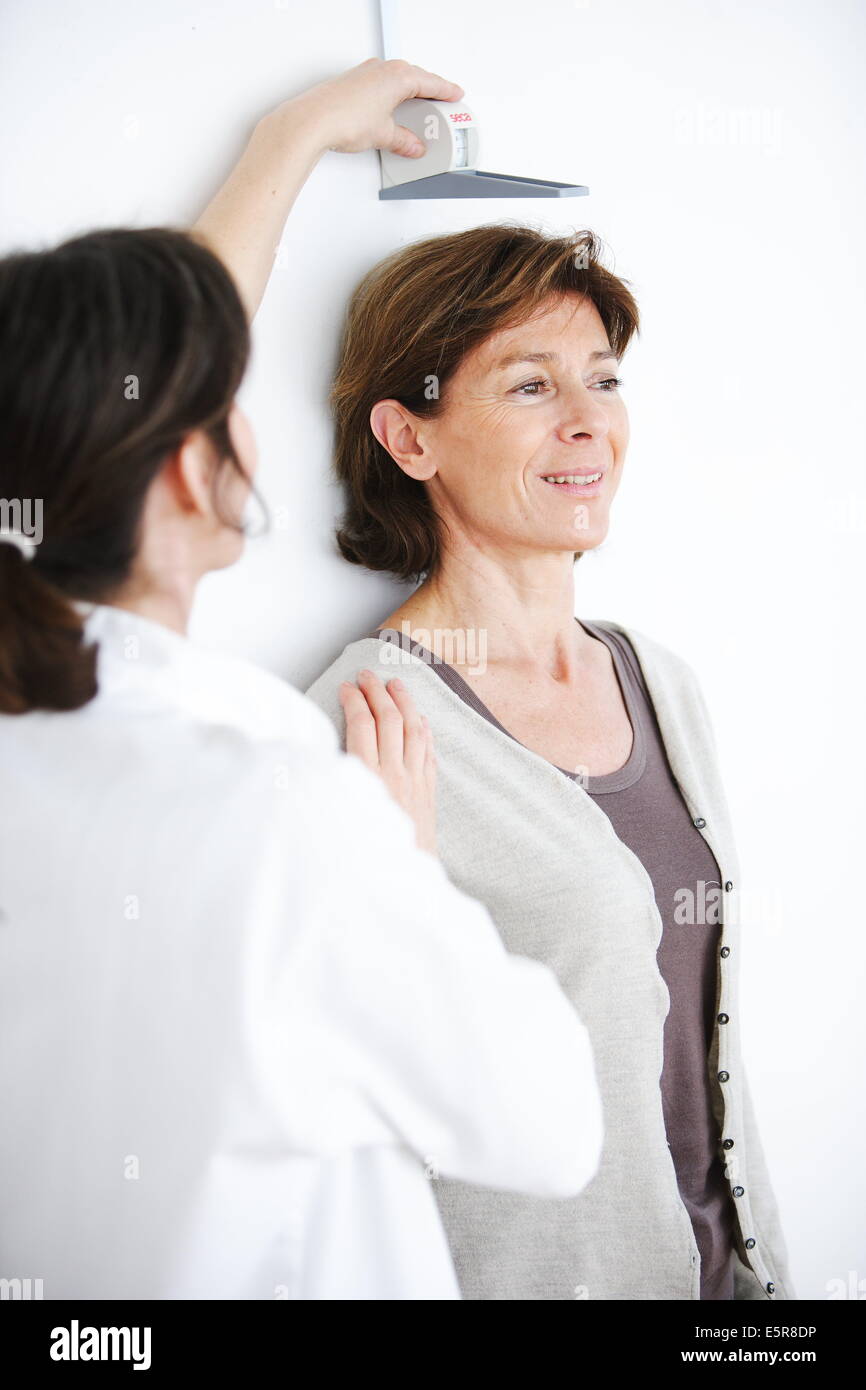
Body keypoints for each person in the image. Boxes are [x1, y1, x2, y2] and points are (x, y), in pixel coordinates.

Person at [0, 63, 604, 1302]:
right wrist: (399, 865)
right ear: (186, 474)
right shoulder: (293, 802)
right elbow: (549, 1125)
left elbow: (124, 377)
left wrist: (289, 138)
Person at [301, 224, 798, 1301]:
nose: (587, 423)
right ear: (409, 438)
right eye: (529, 387)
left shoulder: (657, 680)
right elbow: (336, 1082)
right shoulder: (364, 717)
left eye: (603, 381)